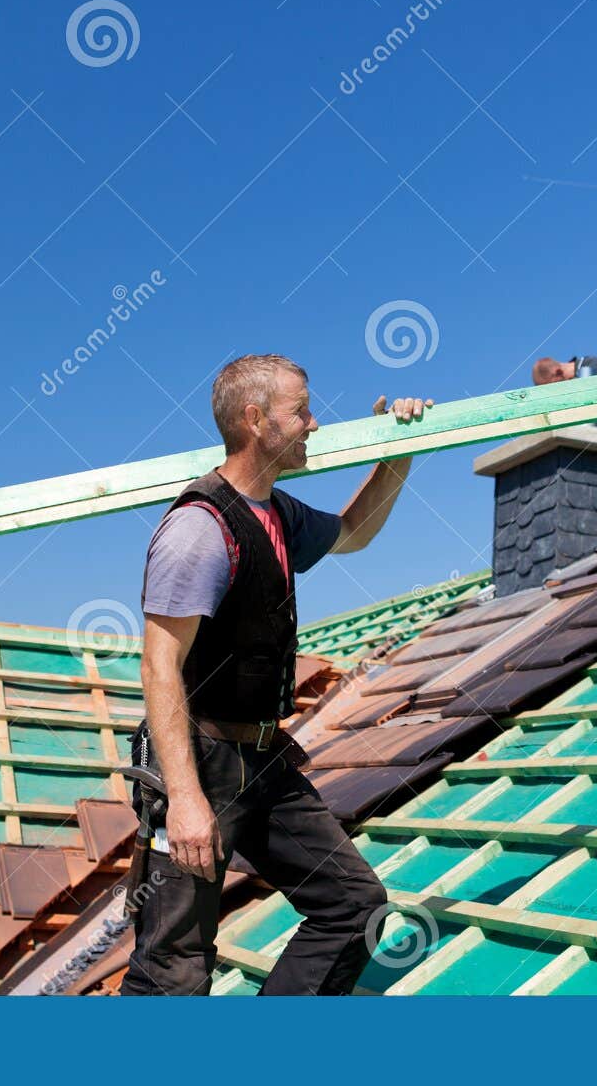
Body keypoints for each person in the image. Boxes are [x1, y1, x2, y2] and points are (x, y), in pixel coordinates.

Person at [119, 354, 431, 996]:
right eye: (302, 410)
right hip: (200, 758)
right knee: (172, 972)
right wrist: (183, 799)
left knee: (354, 909)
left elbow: (354, 533)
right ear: (256, 420)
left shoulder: (279, 513)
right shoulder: (200, 528)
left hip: (261, 758)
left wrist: (398, 450)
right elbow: (159, 665)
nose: (315, 424)